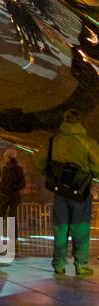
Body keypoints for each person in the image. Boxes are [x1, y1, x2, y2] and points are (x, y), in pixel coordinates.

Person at [45, 110, 99, 277]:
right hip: (80, 192)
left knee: (60, 229)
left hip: (60, 191)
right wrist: (88, 174)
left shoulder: (54, 141)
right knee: (80, 228)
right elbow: (97, 165)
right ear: (80, 122)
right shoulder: (87, 142)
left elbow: (39, 161)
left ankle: (59, 264)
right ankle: (81, 265)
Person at [0, 148, 26, 250]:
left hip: (11, 196)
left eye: (5, 157)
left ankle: (11, 238)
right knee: (5, 217)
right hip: (7, 196)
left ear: (9, 157)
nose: (4, 158)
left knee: (8, 217)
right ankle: (8, 237)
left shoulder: (16, 169)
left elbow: (22, 183)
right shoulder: (6, 168)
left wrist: (11, 188)